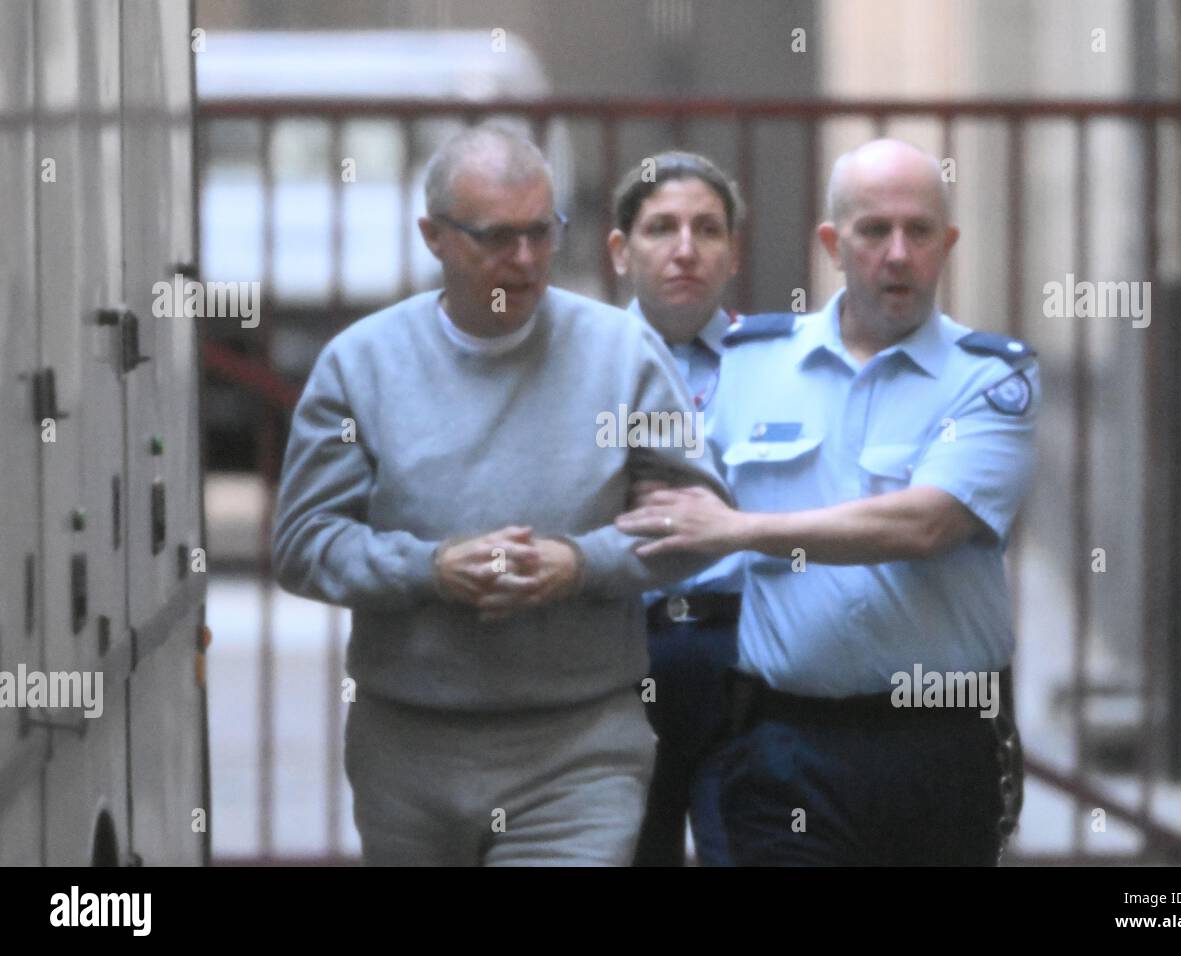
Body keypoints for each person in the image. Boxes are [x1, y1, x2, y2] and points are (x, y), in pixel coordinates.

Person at [272, 125, 729, 866]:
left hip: (579, 747)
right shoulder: (362, 366)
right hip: (409, 748)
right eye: (495, 237)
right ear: (434, 237)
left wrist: (580, 564)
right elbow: (304, 543)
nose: (523, 261)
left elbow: (691, 520)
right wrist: (431, 570)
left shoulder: (621, 355)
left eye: (541, 234)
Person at [617, 138, 1037, 865]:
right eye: (874, 230)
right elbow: (649, 490)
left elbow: (928, 522)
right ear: (832, 243)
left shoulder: (993, 377)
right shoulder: (750, 364)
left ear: (950, 243)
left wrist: (740, 529)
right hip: (785, 747)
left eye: (919, 231)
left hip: (942, 743)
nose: (898, 253)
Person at [607, 151, 745, 866]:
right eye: (661, 228)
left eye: (707, 229)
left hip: (745, 666)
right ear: (621, 251)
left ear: (733, 252)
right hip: (618, 657)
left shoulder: (780, 363)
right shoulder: (580, 363)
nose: (685, 249)